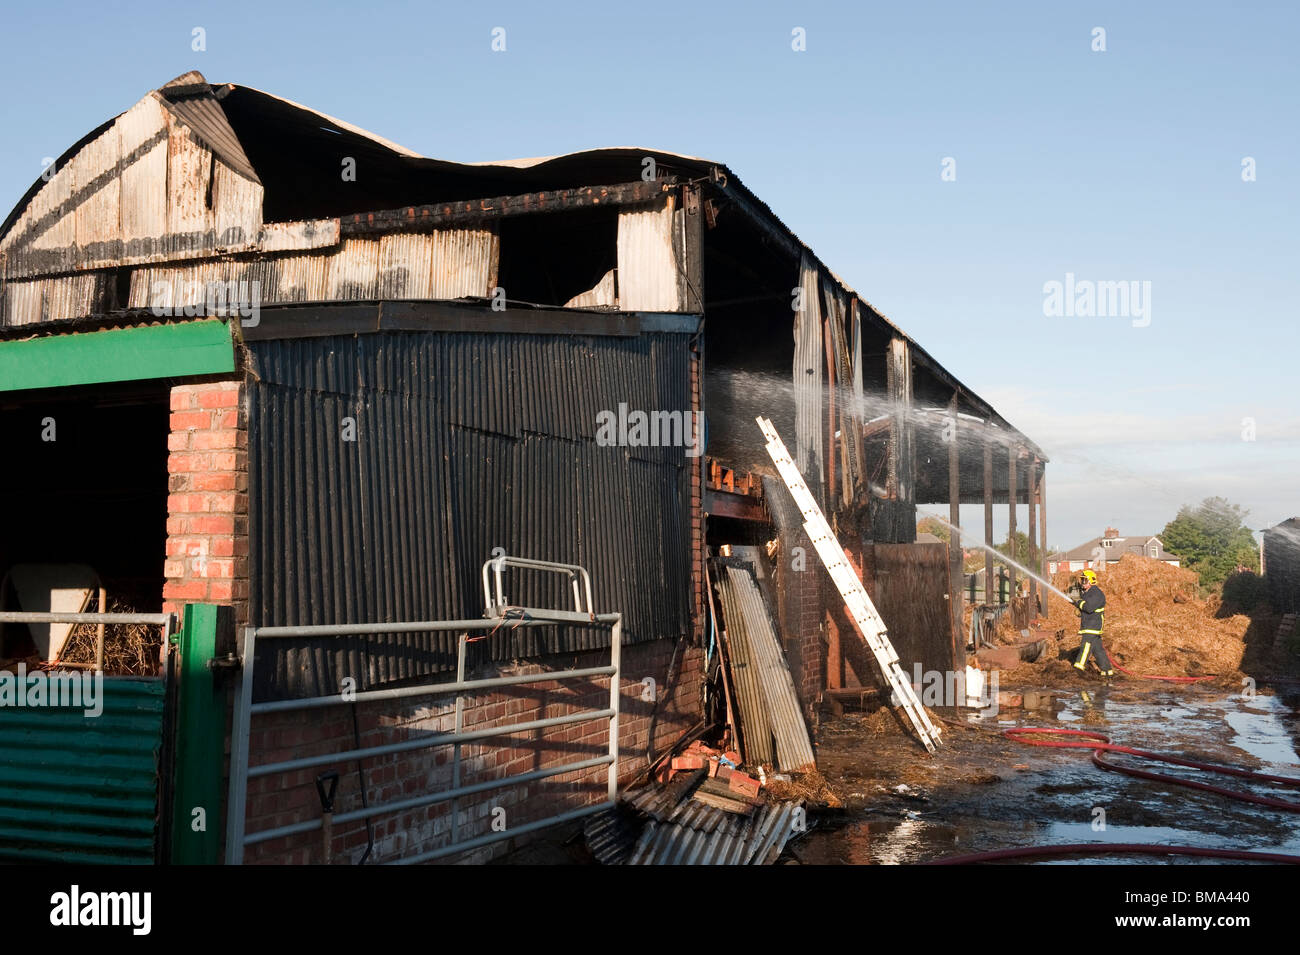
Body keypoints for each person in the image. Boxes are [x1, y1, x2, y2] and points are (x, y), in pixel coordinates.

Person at [1071, 569, 1114, 680]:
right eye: (1082, 580)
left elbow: (1089, 607)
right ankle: (1107, 671)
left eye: (1085, 580)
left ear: (1091, 581)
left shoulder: (1096, 593)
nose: (1083, 583)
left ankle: (1078, 668)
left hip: (1092, 626)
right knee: (1098, 650)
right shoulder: (1089, 593)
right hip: (1091, 625)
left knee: (1085, 646)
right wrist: (1079, 607)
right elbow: (1086, 607)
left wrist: (1079, 602)